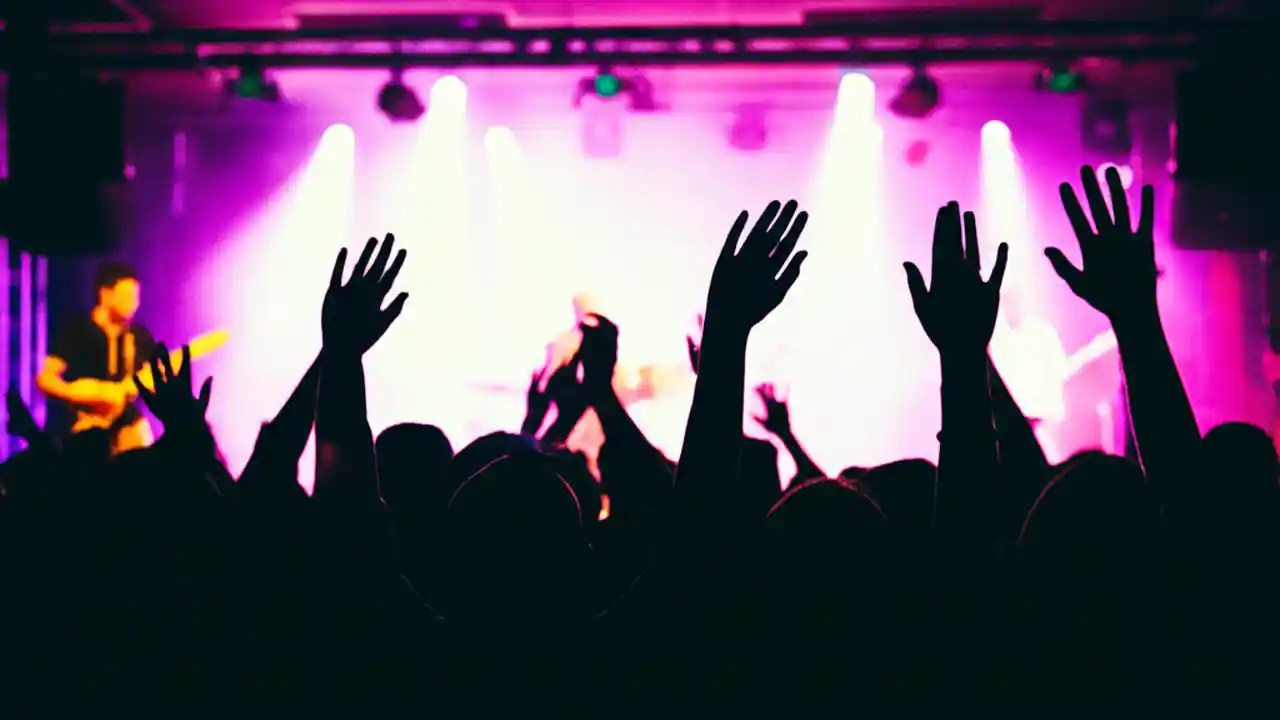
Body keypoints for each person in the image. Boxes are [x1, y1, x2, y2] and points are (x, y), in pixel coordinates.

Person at [36, 262, 156, 455]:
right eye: (127, 296)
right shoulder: (77, 330)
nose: (134, 303)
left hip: (127, 426)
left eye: (136, 297)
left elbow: (153, 377)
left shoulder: (139, 336)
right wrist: (81, 393)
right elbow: (46, 378)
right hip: (82, 427)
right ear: (105, 294)